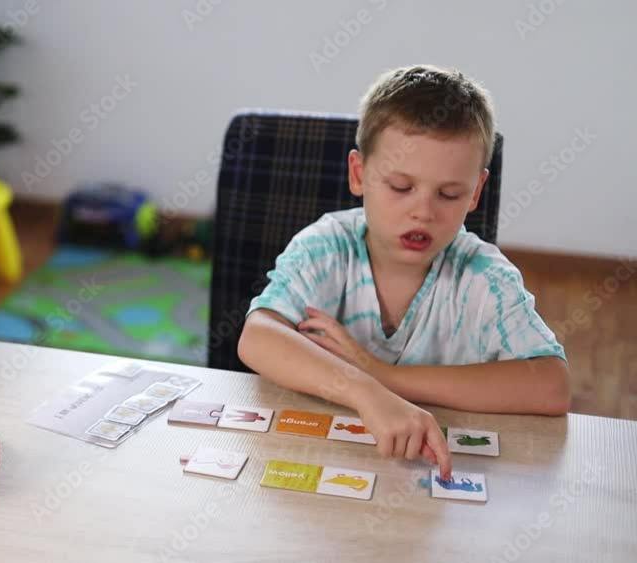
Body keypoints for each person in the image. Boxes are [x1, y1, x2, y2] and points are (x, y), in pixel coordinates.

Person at [238, 65, 571, 479]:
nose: (424, 212)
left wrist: (385, 376)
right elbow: (257, 337)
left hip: (426, 475)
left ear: (476, 192)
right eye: (400, 187)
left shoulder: (485, 277)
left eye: (449, 194)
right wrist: (364, 390)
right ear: (359, 175)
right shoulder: (326, 246)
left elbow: (552, 385)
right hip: (330, 460)